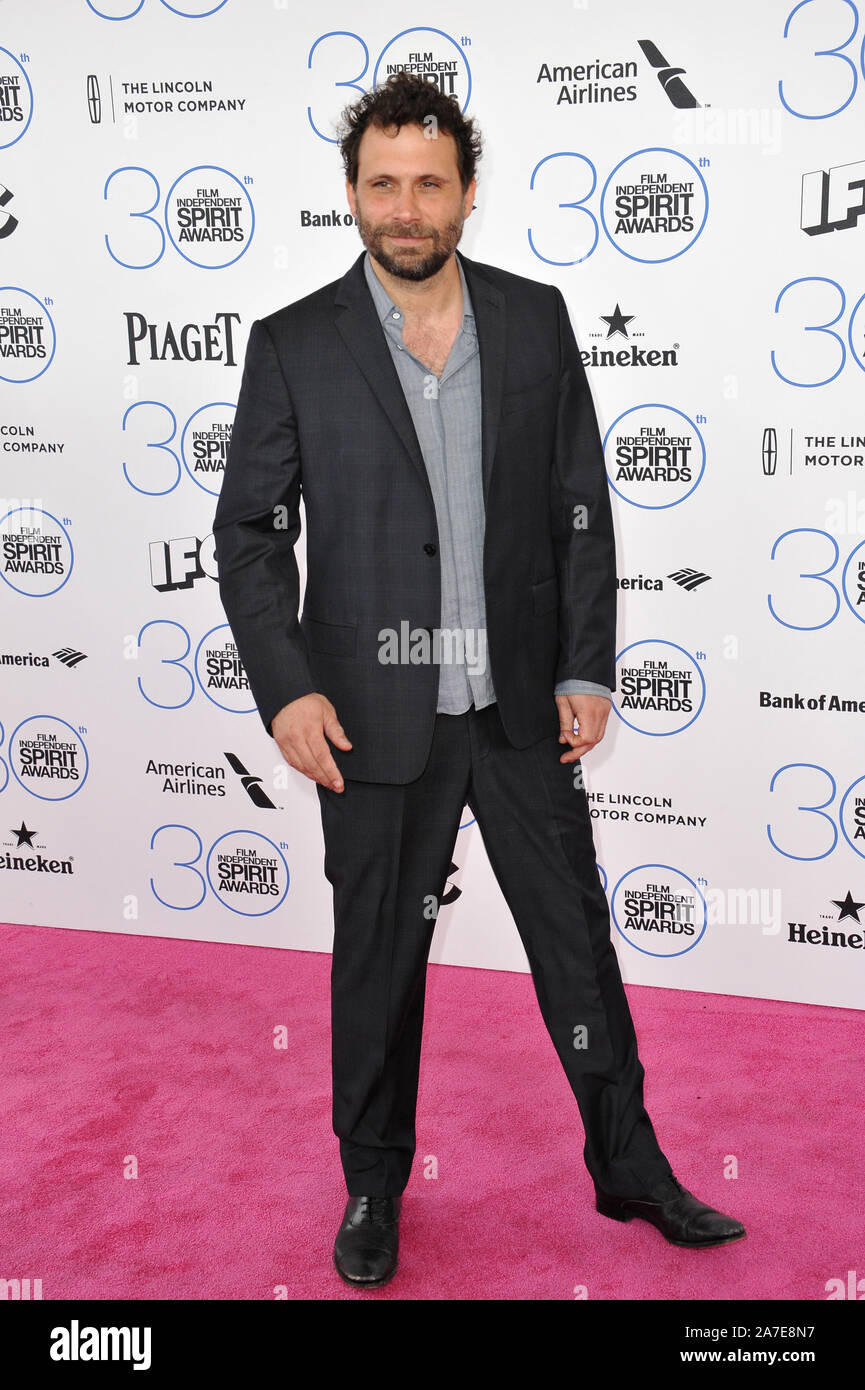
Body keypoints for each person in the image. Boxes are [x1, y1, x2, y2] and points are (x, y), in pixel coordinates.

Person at [212, 71, 745, 1290]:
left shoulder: (536, 318)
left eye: (430, 184)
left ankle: (630, 1167)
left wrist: (583, 664)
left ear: (465, 192)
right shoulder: (294, 344)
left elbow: (580, 515)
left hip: (515, 708)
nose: (408, 208)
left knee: (577, 948)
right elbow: (248, 532)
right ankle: (372, 1188)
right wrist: (287, 690)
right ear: (353, 194)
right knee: (377, 964)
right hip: (368, 713)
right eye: (385, 184)